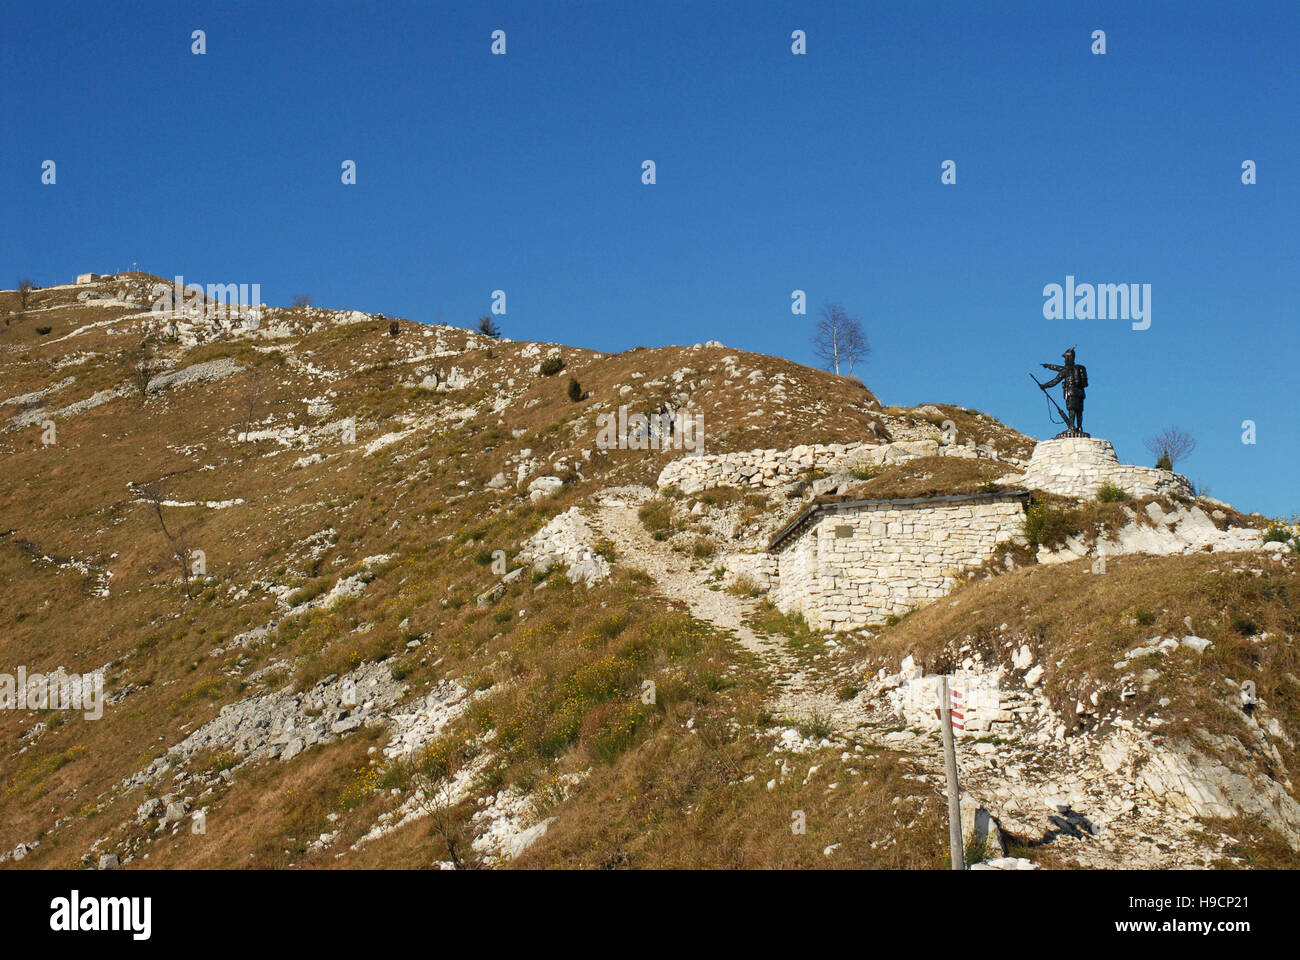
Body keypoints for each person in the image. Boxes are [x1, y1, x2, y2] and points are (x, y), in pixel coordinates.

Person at [1041, 347, 1087, 434]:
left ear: (1068, 358)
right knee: (1079, 411)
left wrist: (1044, 386)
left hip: (1071, 393)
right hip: (1080, 393)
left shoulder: (1067, 370)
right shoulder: (1077, 368)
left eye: (1065, 358)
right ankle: (1079, 427)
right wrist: (1049, 366)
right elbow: (1060, 368)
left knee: (1072, 410)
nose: (1064, 360)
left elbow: (1055, 380)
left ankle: (1071, 427)